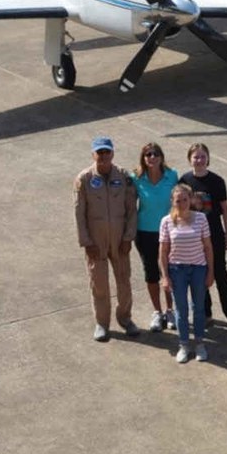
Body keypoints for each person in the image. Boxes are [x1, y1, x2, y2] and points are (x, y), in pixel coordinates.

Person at [74, 135, 140, 342]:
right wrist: (86, 242)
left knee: (124, 282)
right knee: (99, 284)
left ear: (112, 153)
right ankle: (102, 324)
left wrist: (128, 237)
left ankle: (125, 318)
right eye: (99, 152)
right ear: (93, 154)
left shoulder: (123, 176)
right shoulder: (83, 179)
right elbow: (79, 213)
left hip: (120, 239)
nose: (103, 156)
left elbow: (131, 210)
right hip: (96, 240)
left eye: (106, 152)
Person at [178, 143, 227, 329]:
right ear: (190, 159)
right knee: (199, 276)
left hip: (215, 235)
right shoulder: (184, 181)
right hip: (194, 236)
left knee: (220, 274)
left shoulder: (217, 181)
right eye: (196, 157)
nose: (199, 160)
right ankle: (206, 314)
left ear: (208, 159)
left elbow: (225, 210)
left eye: (203, 156)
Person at [160, 183, 215, 363]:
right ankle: (184, 344)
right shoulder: (166, 221)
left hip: (198, 269)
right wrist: (165, 276)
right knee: (181, 310)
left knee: (198, 308)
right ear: (172, 201)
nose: (182, 203)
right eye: (178, 200)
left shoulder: (200, 219)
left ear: (190, 199)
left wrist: (210, 272)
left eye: (185, 199)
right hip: (177, 270)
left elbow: (208, 247)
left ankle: (199, 344)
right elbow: (163, 251)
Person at [133, 141, 178, 332]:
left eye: (155, 154)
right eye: (148, 154)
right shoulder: (136, 178)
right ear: (143, 159)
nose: (152, 157)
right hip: (144, 233)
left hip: (168, 233)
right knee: (151, 273)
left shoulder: (172, 176)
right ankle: (157, 312)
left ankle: (170, 311)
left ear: (161, 157)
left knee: (168, 273)